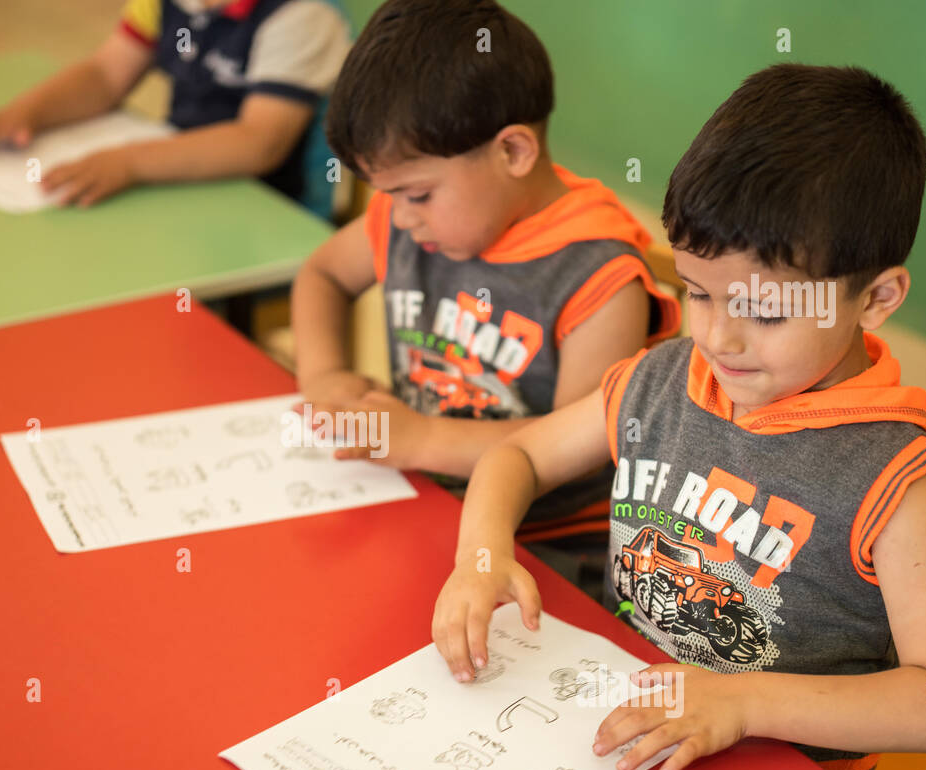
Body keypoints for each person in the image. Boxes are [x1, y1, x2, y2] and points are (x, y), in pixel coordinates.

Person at [431, 63, 926, 770]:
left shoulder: (887, 472)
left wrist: (742, 702)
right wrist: (480, 555)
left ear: (875, 298)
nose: (720, 337)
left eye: (765, 311)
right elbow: (519, 453)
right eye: (697, 293)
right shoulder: (667, 379)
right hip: (625, 741)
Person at [290, 0, 679, 592]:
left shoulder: (600, 282)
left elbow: (575, 452)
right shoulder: (405, 220)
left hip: (548, 554)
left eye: (417, 194)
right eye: (386, 194)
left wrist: (420, 438)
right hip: (420, 501)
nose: (399, 218)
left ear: (513, 152)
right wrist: (324, 377)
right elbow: (321, 275)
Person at [0, 0, 350, 212]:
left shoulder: (304, 14)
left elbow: (258, 143)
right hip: (176, 182)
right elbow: (105, 75)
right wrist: (25, 113)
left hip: (270, 212)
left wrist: (129, 163)